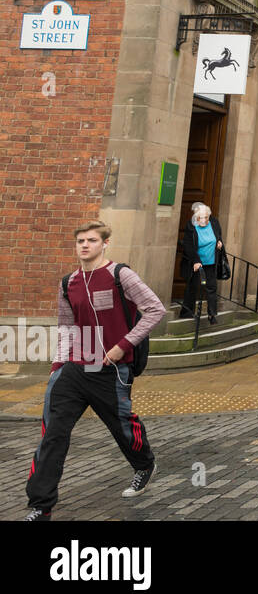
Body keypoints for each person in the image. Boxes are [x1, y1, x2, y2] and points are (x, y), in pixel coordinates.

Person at [24, 220, 167, 521]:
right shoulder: (68, 283)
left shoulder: (120, 275)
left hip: (112, 370)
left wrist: (122, 346)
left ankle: (144, 464)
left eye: (91, 240)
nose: (85, 245)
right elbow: (66, 328)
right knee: (53, 434)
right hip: (75, 368)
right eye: (80, 241)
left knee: (123, 427)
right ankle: (41, 505)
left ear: (104, 244)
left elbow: (155, 309)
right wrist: (57, 367)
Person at [180, 201, 225, 324]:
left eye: (206, 217)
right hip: (197, 262)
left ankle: (212, 315)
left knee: (211, 287)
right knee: (192, 286)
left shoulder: (214, 223)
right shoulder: (191, 226)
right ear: (196, 217)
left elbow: (218, 236)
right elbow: (188, 246)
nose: (204, 220)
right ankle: (187, 313)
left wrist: (219, 242)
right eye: (200, 218)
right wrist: (196, 261)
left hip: (210, 261)